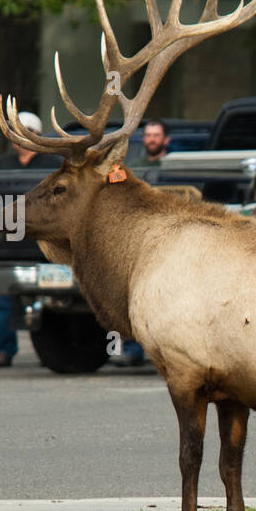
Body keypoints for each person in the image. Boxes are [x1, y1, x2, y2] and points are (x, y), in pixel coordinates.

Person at [0, 111, 62, 366]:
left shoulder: (53, 166)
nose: (21, 139)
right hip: (9, 247)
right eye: (17, 134)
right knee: (2, 302)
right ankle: (4, 349)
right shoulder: (2, 164)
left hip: (46, 246)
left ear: (38, 137)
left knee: (54, 302)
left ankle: (51, 350)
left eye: (28, 133)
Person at [110, 119, 169, 366]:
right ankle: (133, 350)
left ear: (166, 140)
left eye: (156, 135)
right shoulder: (131, 169)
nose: (151, 139)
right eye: (148, 135)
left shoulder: (176, 166)